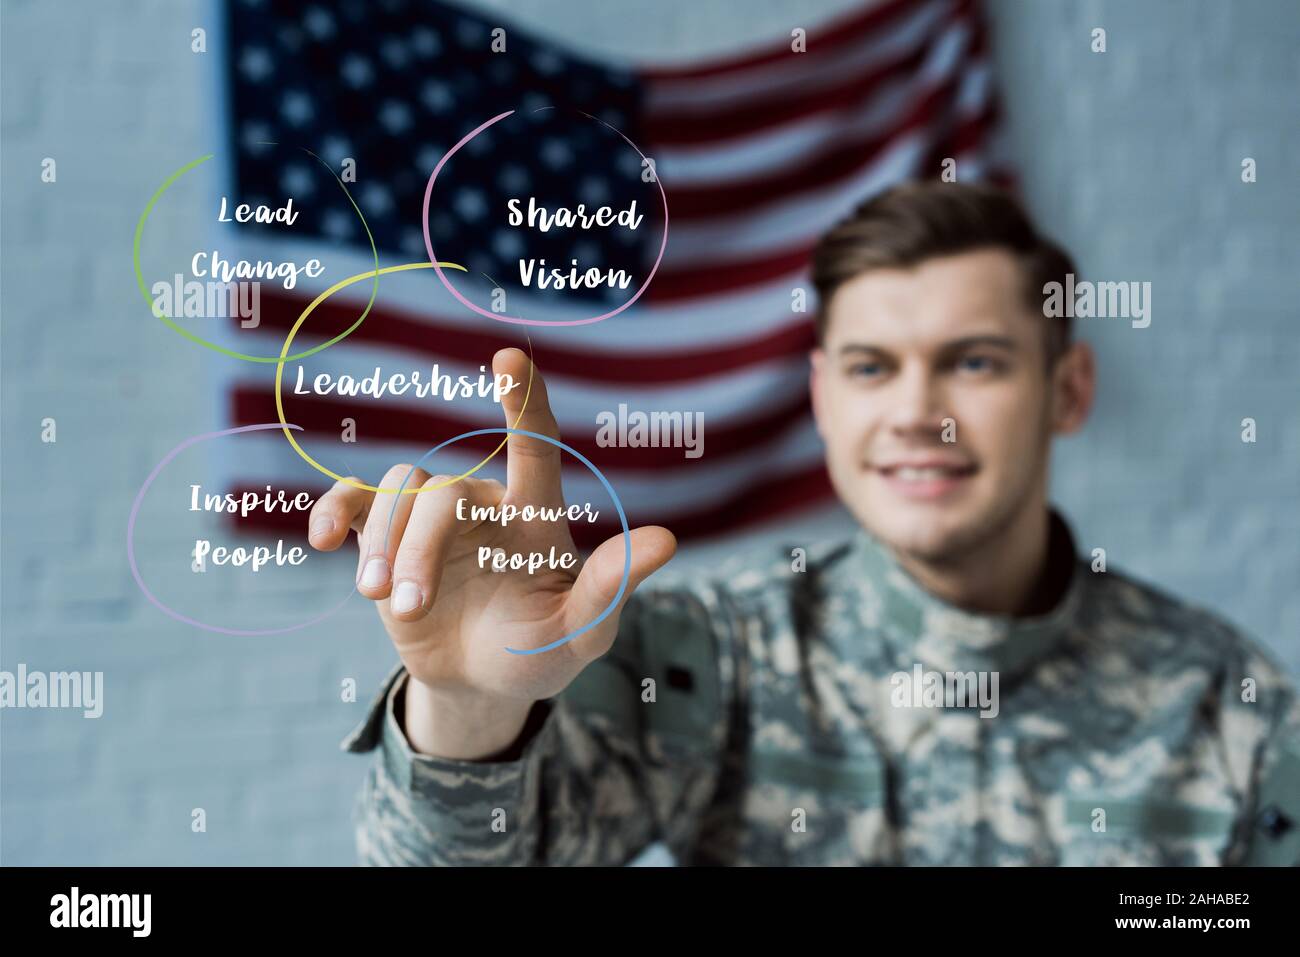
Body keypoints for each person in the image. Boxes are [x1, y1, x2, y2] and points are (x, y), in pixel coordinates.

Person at [309, 181, 1300, 866]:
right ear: (823, 397)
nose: (916, 410)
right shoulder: (711, 660)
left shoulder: (1232, 711)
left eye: (976, 361)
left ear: (1068, 389)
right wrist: (472, 711)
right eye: (871, 366)